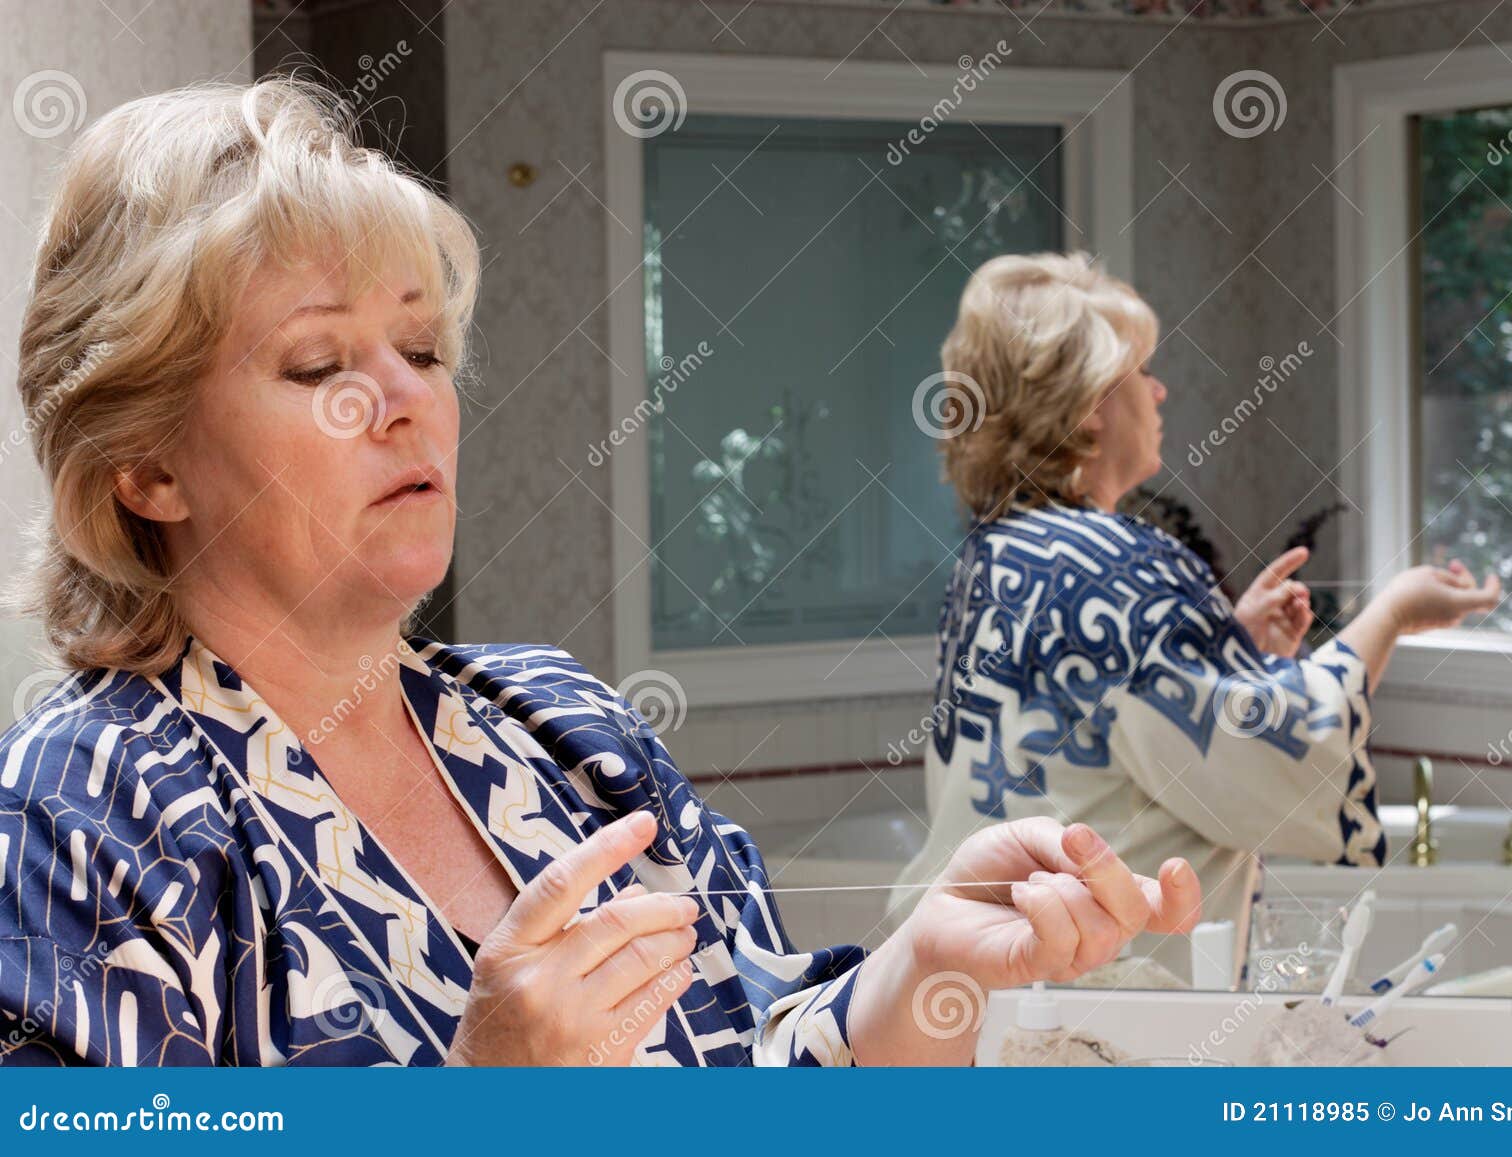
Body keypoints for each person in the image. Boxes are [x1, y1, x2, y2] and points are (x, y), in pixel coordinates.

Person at [0, 80, 1202, 1068]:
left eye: (421, 347)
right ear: (144, 468)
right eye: (319, 364)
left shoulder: (560, 725)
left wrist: (921, 974)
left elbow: (764, 1067)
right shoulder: (88, 808)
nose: (409, 399)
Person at [894, 252, 1501, 980]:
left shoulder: (995, 552)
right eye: (1140, 372)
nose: (1160, 389)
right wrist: (1395, 611)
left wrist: (1225, 644)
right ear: (1090, 404)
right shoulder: (1124, 567)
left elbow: (1090, 729)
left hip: (972, 981)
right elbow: (1291, 757)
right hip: (1101, 1007)